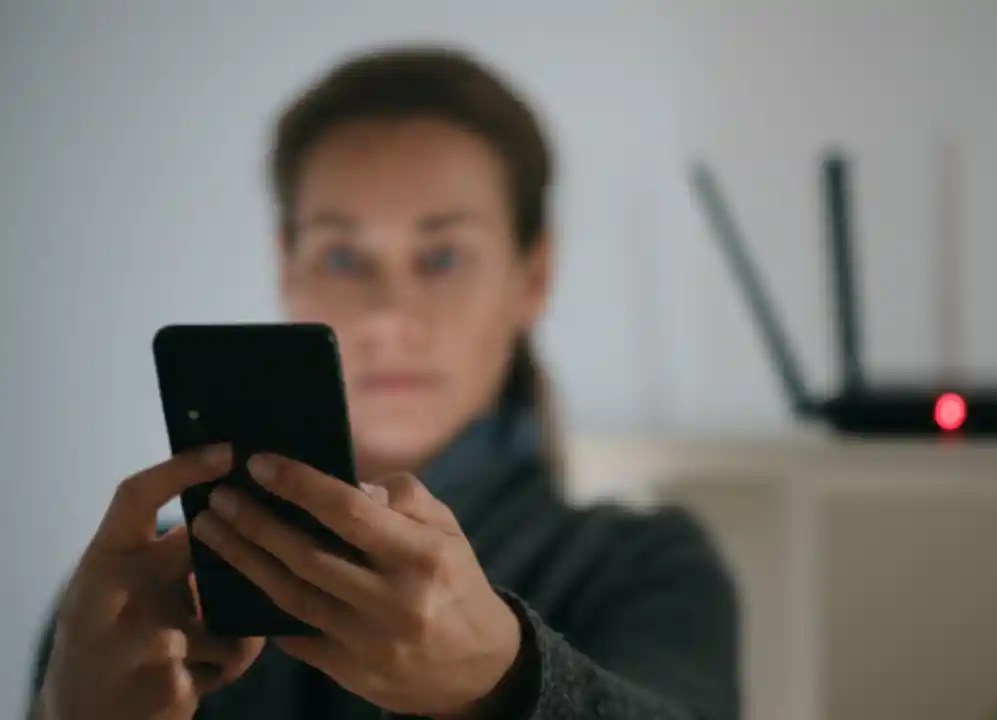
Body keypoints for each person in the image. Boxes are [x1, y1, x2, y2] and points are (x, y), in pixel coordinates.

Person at [30, 48, 739, 719]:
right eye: (342, 256)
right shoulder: (147, 602)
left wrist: (502, 679)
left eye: (442, 257)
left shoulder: (643, 566)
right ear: (289, 270)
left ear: (534, 274)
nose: (388, 315)